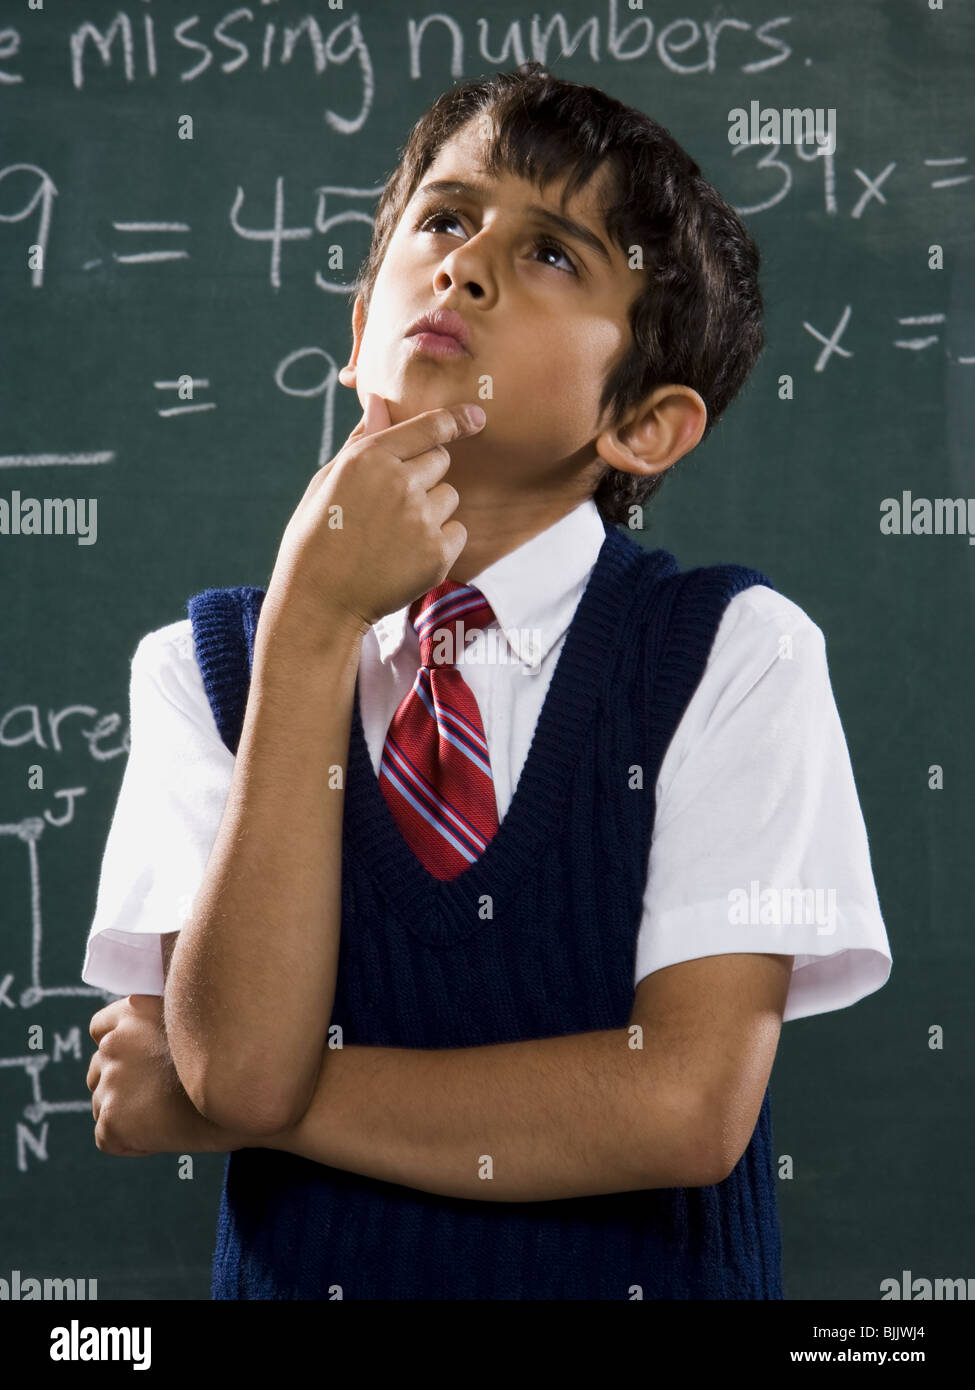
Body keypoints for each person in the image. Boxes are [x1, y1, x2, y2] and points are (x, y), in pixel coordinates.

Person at [83, 62, 891, 1300]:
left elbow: (678, 1105)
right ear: (360, 333)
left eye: (555, 255)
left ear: (647, 425)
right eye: (447, 220)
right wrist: (311, 621)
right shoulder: (208, 672)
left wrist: (242, 1108)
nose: (467, 264)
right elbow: (239, 1061)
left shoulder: (736, 653)